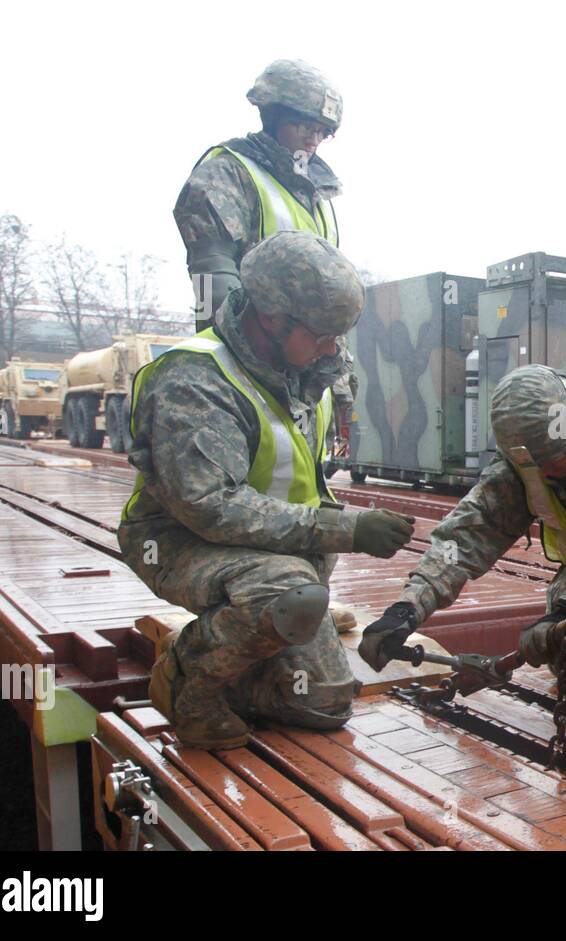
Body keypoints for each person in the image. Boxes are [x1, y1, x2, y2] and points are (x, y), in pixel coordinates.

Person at [119, 231, 415, 749]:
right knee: (284, 595)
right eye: (322, 332)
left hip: (271, 550)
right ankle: (190, 680)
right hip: (182, 540)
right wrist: (344, 529)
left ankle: (275, 621)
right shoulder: (194, 378)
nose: (333, 347)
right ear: (272, 317)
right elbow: (210, 506)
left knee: (323, 703)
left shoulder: (306, 369)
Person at [358, 365, 566, 684]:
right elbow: (469, 533)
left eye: (554, 460)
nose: (545, 474)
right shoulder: (526, 459)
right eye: (534, 465)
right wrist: (407, 609)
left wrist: (565, 610)